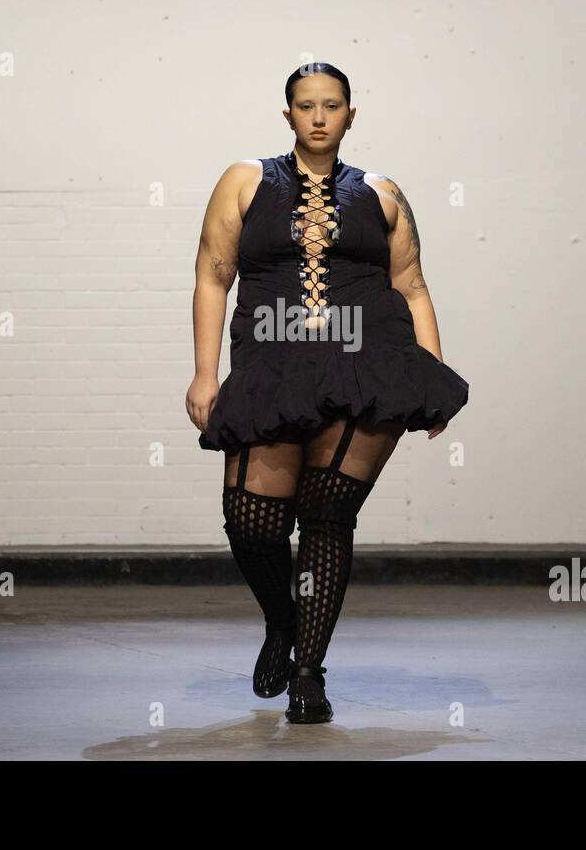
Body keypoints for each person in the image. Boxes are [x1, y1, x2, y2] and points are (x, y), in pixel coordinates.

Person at [186, 63, 470, 724]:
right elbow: (211, 273)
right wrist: (205, 372)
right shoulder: (245, 180)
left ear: (350, 114)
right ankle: (282, 624)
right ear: (287, 114)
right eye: (306, 106)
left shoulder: (382, 192)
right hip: (271, 365)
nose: (319, 117)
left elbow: (413, 284)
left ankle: (309, 672)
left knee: (326, 518)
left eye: (332, 105)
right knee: (252, 520)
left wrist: (427, 375)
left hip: (369, 364)